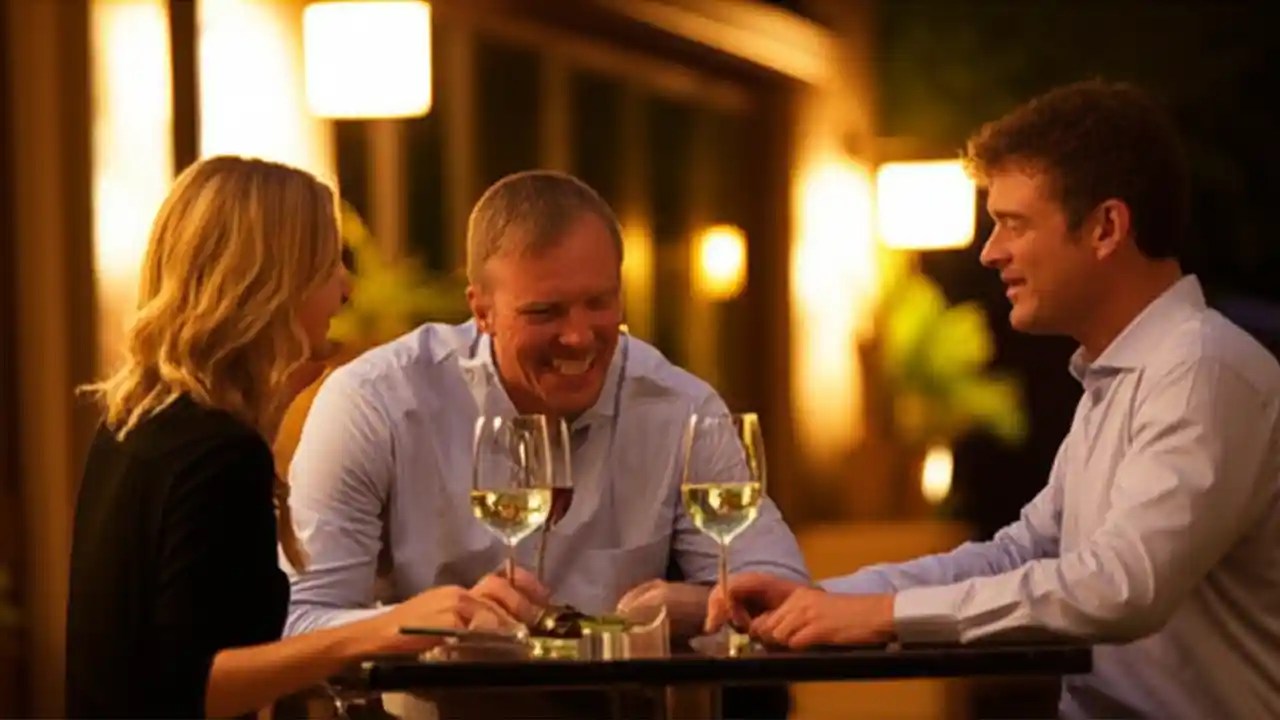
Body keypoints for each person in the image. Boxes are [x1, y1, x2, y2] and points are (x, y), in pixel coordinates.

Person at [708, 80, 1280, 719]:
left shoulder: (1202, 370)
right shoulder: (1123, 377)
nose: (990, 252)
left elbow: (1122, 588)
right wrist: (817, 598)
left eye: (1014, 224)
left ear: (1106, 228)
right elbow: (1023, 552)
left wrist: (878, 615)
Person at [283, 169, 809, 640]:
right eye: (545, 312)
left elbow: (787, 594)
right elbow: (301, 620)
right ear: (481, 310)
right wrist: (433, 619)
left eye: (599, 303)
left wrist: (697, 604)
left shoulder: (679, 408)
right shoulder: (378, 402)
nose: (579, 337)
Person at [66, 156, 503, 719]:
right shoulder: (219, 453)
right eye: (327, 266)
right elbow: (193, 688)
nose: (346, 289)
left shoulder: (135, 424)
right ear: (269, 284)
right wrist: (385, 628)